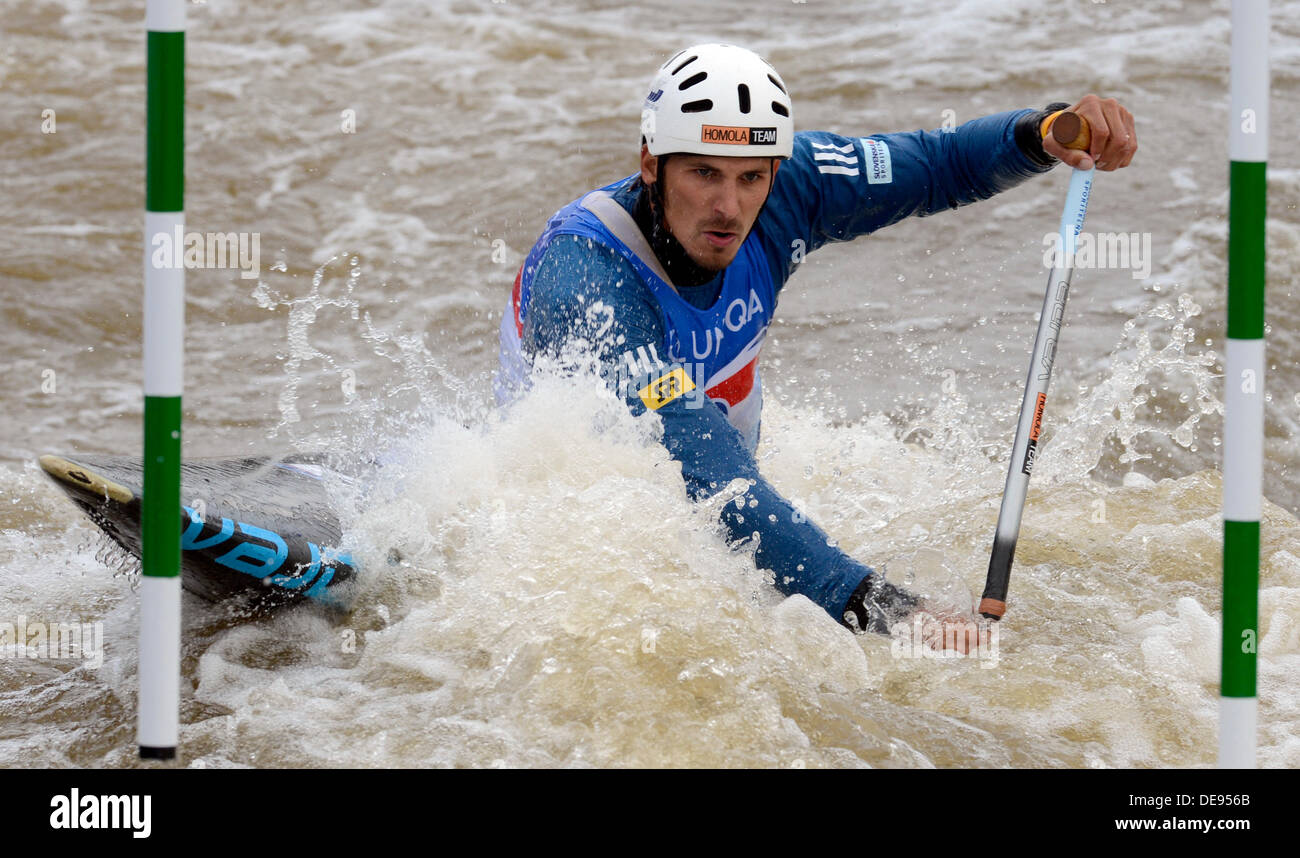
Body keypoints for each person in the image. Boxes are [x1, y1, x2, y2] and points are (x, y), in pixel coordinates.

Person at [495, 43, 1137, 646]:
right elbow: (705, 467)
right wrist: (894, 614)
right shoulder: (583, 278)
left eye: (751, 178)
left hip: (730, 521)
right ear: (650, 165)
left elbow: (939, 165)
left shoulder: (790, 187)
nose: (728, 207)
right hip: (566, 571)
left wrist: (1043, 132)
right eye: (703, 174)